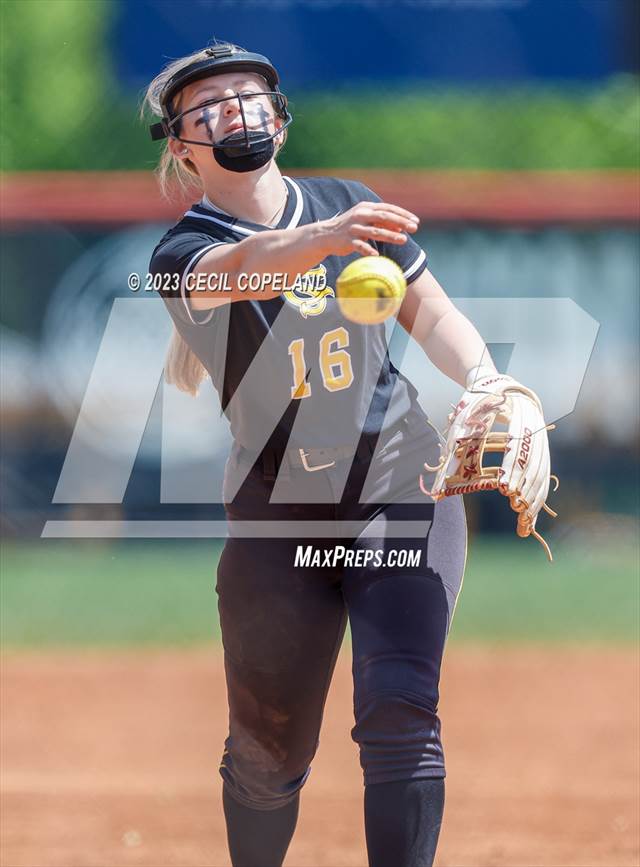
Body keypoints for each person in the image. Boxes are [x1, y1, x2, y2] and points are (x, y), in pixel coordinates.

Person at [144, 42, 551, 867]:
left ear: (281, 119)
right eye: (209, 103)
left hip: (401, 486)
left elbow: (432, 315)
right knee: (268, 756)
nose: (234, 109)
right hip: (277, 517)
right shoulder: (178, 254)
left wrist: (483, 376)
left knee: (401, 712)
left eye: (250, 94)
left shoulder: (346, 204)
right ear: (180, 146)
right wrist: (327, 238)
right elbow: (246, 267)